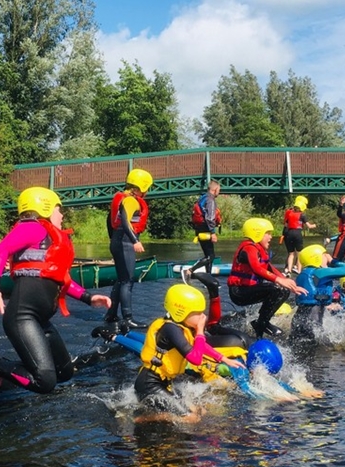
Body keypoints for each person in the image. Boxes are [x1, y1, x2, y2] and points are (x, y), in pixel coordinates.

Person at [0, 187, 111, 393]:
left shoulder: (49, 238)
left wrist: (88, 298)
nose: (62, 215)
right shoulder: (33, 228)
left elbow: (62, 279)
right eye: (59, 209)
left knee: (64, 372)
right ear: (45, 208)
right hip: (23, 317)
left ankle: (1, 373)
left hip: (40, 320)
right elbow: (1, 249)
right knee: (44, 381)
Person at [135, 284, 246, 423]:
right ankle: (142, 418)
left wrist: (224, 359)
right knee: (191, 418)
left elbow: (200, 346)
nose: (203, 317)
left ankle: (156, 411)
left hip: (163, 383)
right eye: (198, 313)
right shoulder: (171, 329)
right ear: (181, 312)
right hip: (149, 385)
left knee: (200, 410)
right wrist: (200, 331)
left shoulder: (180, 327)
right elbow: (196, 359)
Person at [227, 218, 308, 339]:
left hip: (248, 290)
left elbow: (269, 268)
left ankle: (261, 323)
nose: (271, 237)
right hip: (238, 292)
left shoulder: (258, 249)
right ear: (257, 233)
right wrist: (279, 280)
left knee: (283, 290)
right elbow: (256, 268)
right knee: (277, 288)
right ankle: (261, 323)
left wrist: (290, 284)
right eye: (268, 233)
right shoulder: (249, 248)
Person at [103, 168, 153, 334]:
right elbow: (125, 221)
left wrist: (114, 240)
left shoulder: (121, 197)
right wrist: (134, 241)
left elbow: (109, 221)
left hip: (118, 240)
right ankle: (128, 318)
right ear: (140, 187)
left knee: (121, 279)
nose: (147, 192)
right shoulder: (131, 200)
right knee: (127, 281)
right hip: (125, 241)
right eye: (146, 188)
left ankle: (111, 314)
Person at [290, 244, 345, 341]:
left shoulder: (304, 273)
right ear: (316, 258)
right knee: (315, 343)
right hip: (312, 320)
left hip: (299, 318)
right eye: (325, 255)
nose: (327, 258)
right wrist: (332, 261)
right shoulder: (319, 273)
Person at [182, 181, 222, 283]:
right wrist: (213, 232)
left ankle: (208, 279)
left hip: (199, 229)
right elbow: (210, 218)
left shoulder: (202, 198)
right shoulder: (210, 200)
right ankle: (189, 271)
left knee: (208, 256)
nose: (219, 192)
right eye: (219, 190)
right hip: (206, 229)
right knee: (210, 256)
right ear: (215, 190)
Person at [282, 195, 317, 274]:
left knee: (291, 253)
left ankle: (289, 270)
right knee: (299, 253)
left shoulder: (290, 213)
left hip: (289, 233)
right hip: (297, 234)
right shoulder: (302, 215)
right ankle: (298, 269)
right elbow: (309, 226)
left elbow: (286, 224)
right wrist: (315, 225)